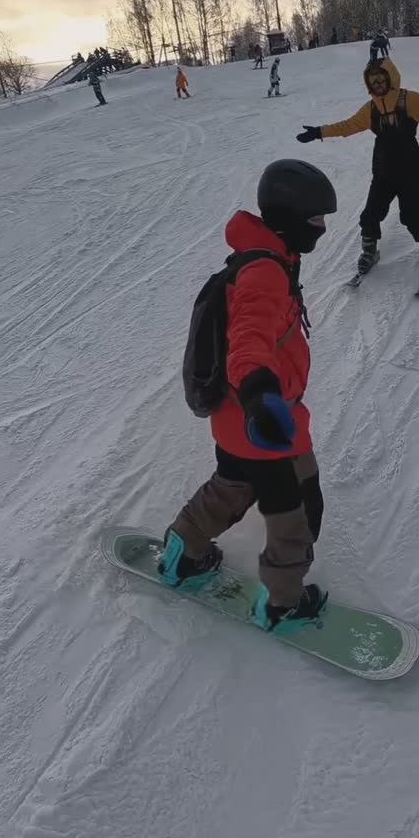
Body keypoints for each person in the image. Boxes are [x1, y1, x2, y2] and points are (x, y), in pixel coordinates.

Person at [159, 159, 337, 631]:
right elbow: (249, 341)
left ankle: (183, 551)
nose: (322, 227)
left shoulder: (267, 257)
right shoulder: (265, 273)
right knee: (297, 510)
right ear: (288, 217)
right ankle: (281, 604)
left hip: (236, 418)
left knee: (233, 485)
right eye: (315, 218)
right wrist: (261, 394)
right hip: (267, 420)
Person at [296, 56, 419, 276]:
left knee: (411, 217)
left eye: (381, 78)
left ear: (390, 78)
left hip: (409, 170)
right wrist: (318, 132)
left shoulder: (408, 100)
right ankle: (370, 253)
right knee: (369, 216)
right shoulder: (370, 109)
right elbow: (347, 126)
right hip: (382, 171)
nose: (377, 84)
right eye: (372, 80)